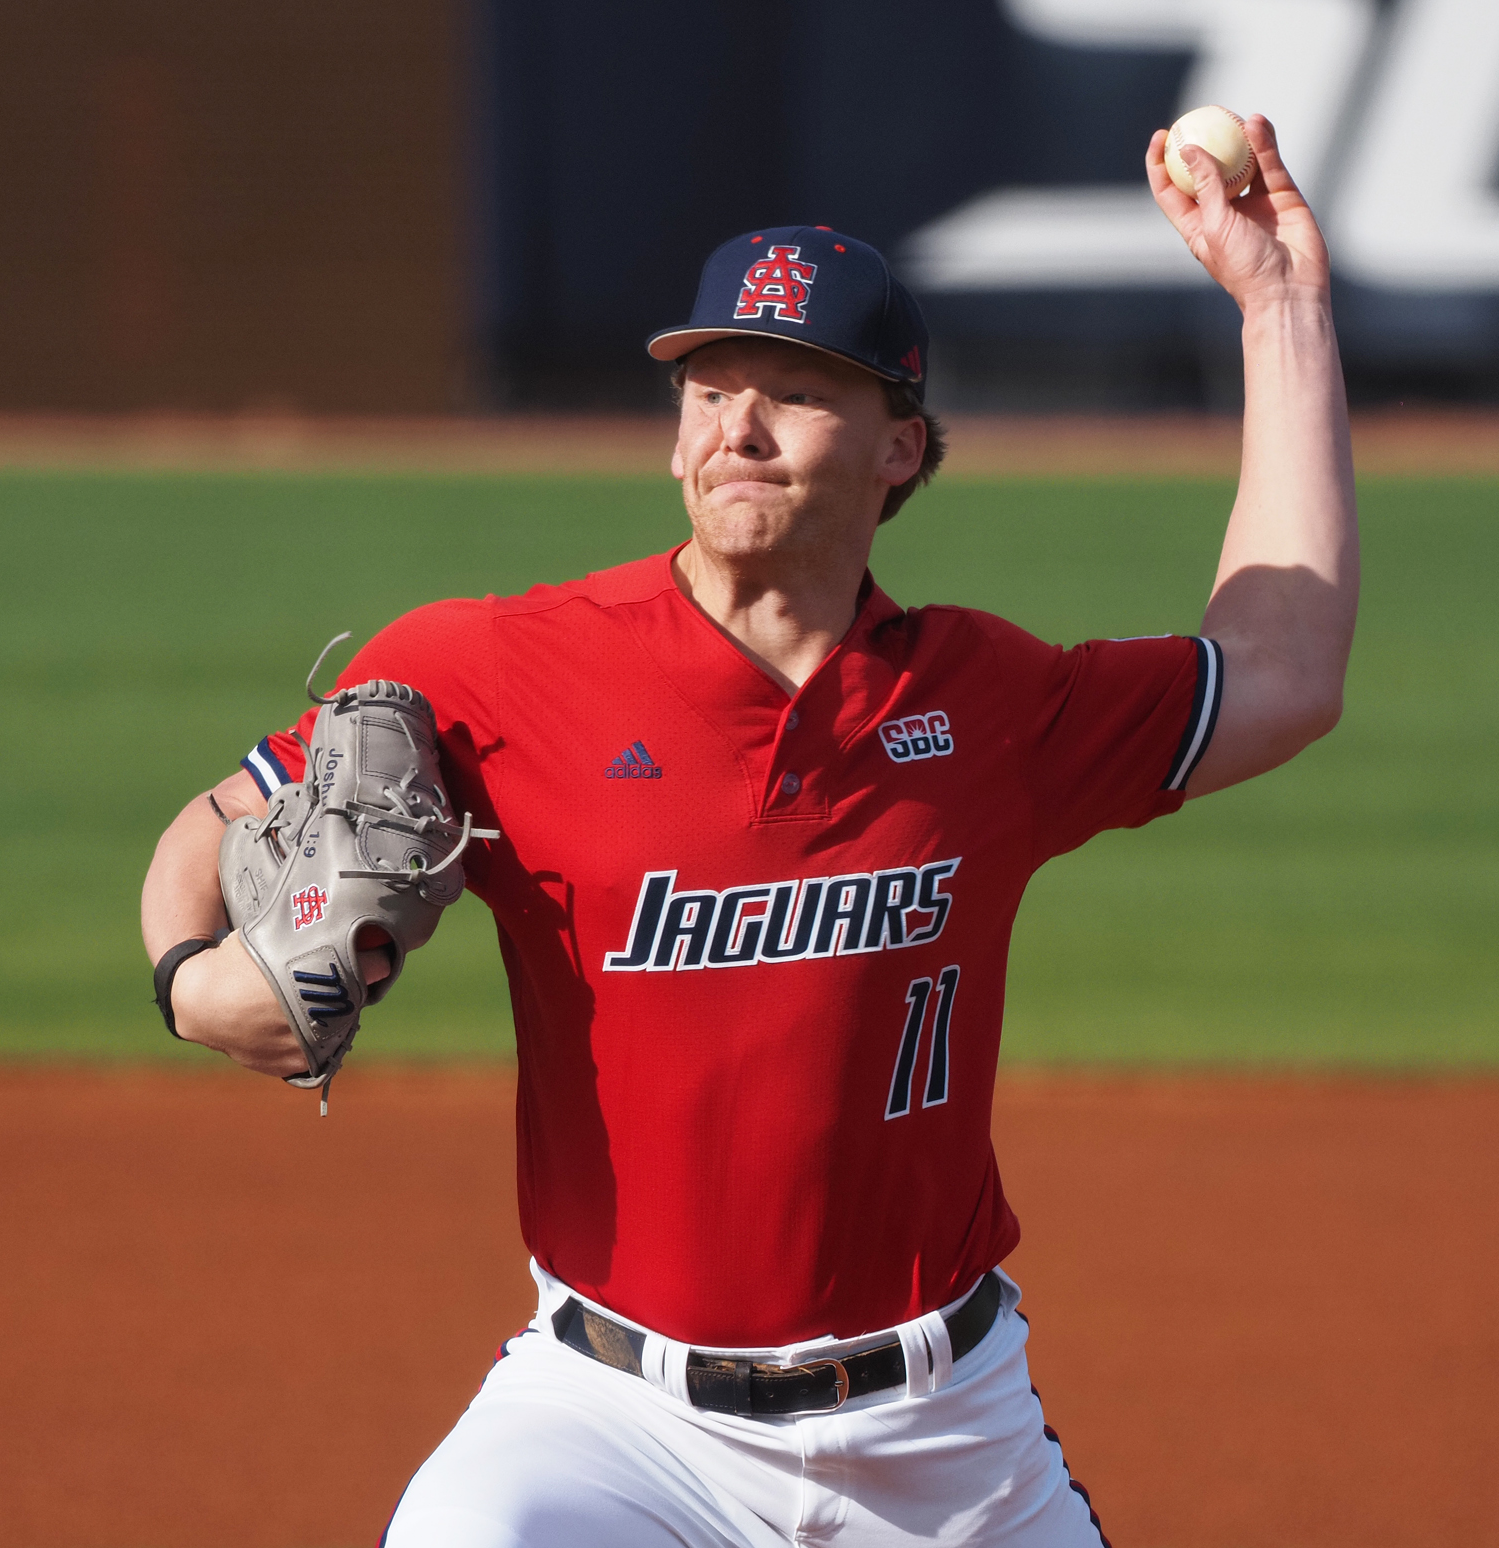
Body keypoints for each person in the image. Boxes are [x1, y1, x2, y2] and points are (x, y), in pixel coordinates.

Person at [140, 118, 1357, 1547]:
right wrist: (190, 983)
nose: (738, 424)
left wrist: (1281, 307)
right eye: (710, 386)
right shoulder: (488, 670)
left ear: (901, 447)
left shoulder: (987, 698)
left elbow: (1281, 676)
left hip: (945, 1436)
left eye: (794, 390)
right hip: (614, 1423)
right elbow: (205, 832)